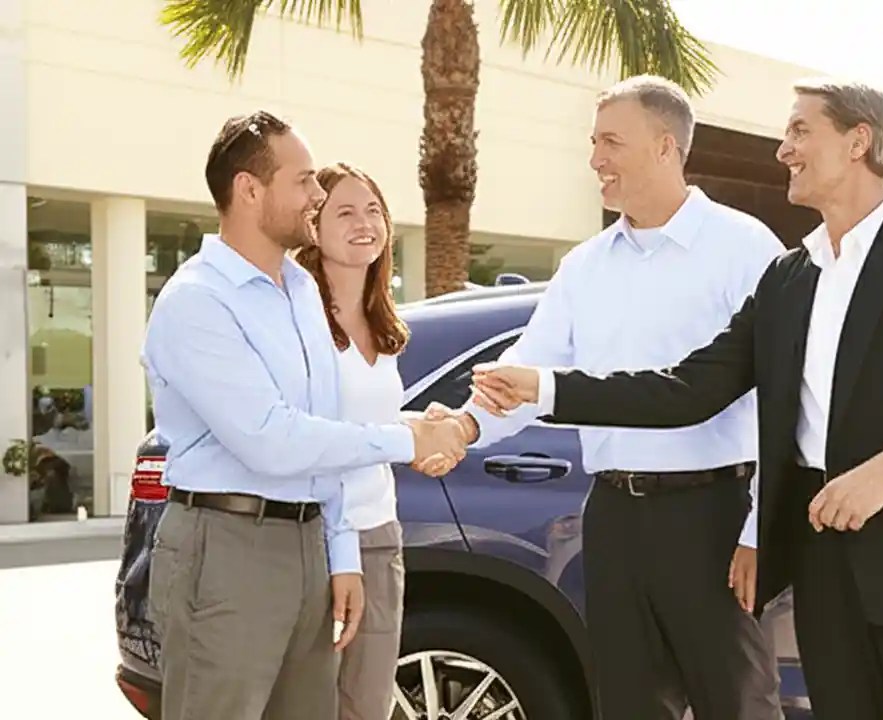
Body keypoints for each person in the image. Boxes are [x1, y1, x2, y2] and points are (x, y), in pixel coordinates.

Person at [468, 79, 883, 720]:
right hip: (828, 578)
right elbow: (690, 390)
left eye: (801, 131)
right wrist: (547, 386)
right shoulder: (789, 279)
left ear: (859, 141)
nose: (783, 150)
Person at [430, 75, 785, 720]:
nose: (595, 159)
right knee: (626, 705)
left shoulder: (747, 249)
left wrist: (762, 529)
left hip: (715, 516)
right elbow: (526, 373)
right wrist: (465, 427)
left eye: (611, 142)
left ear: (665, 147)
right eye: (593, 142)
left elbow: (782, 403)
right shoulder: (584, 266)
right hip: (614, 518)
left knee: (738, 706)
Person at [141, 111, 469, 720]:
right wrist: (408, 438)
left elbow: (325, 429)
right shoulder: (197, 302)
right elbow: (272, 441)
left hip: (308, 543)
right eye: (303, 182)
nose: (318, 195)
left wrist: (342, 556)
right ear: (249, 190)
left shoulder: (298, 290)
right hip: (226, 549)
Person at [294, 162, 435, 719]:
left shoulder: (383, 324)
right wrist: (407, 440)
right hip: (317, 536)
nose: (364, 223)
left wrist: (426, 433)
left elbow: (373, 421)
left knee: (368, 705)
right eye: (345, 211)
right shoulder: (299, 319)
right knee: (311, 704)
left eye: (373, 210)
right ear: (314, 226)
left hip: (380, 532)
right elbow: (317, 436)